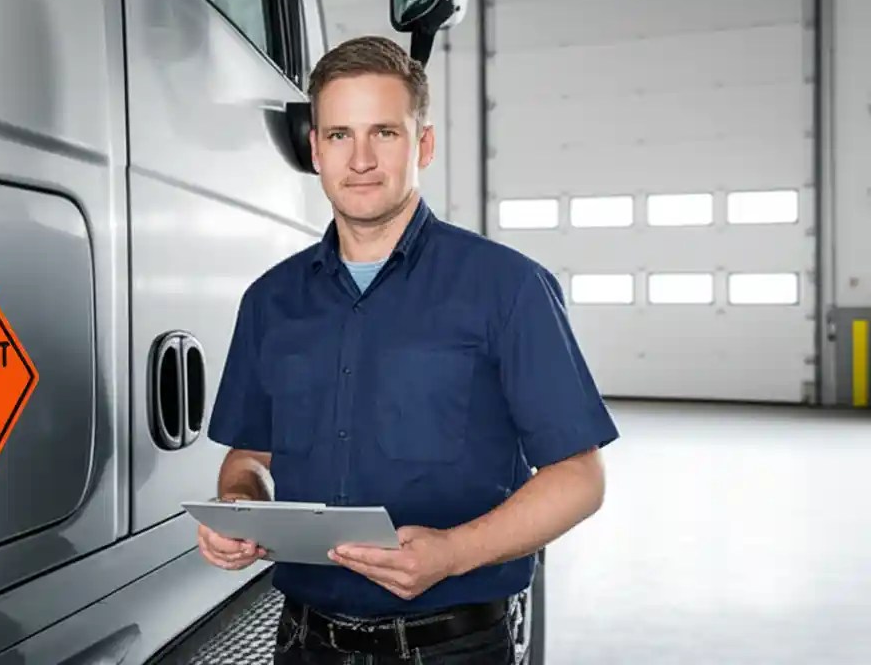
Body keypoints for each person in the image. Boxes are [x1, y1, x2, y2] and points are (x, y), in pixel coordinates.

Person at [197, 34, 620, 664]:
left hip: (453, 647)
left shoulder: (507, 288)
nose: (360, 159)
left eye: (384, 133)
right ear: (315, 149)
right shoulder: (270, 300)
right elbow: (250, 454)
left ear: (422, 143)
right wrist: (241, 508)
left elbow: (580, 477)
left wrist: (452, 553)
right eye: (339, 135)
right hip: (304, 643)